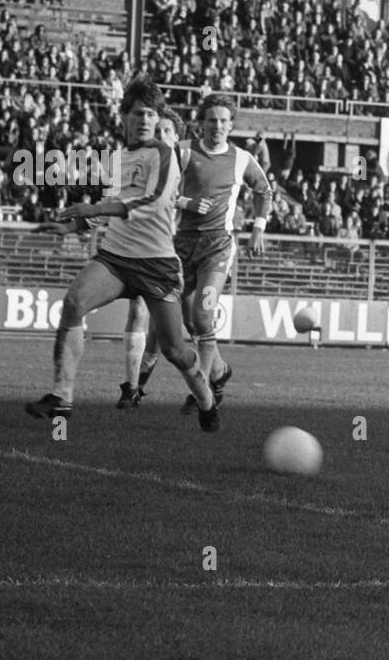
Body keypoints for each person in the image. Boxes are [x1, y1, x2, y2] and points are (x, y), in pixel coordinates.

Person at [25, 76, 220, 431]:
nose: (146, 120)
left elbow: (152, 201)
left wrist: (92, 210)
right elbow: (110, 205)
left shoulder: (163, 153)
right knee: (73, 303)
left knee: (176, 351)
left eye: (151, 114)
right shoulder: (116, 158)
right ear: (124, 116)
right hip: (115, 256)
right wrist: (73, 226)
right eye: (139, 114)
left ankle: (206, 399)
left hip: (156, 263)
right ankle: (61, 396)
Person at [148, 93, 271, 414]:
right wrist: (187, 202)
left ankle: (202, 390)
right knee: (188, 321)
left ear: (231, 125)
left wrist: (258, 227)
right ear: (200, 123)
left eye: (223, 121)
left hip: (218, 246)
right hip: (181, 245)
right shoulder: (184, 151)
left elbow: (264, 190)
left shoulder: (242, 158)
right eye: (211, 120)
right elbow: (157, 189)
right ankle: (219, 372)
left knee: (202, 314)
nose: (217, 126)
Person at [116, 107, 184, 408]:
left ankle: (207, 388)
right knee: (139, 312)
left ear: (177, 137)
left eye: (166, 131)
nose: (159, 135)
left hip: (185, 253)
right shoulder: (142, 164)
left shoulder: (187, 165)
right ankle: (131, 387)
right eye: (157, 131)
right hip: (150, 251)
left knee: (170, 332)